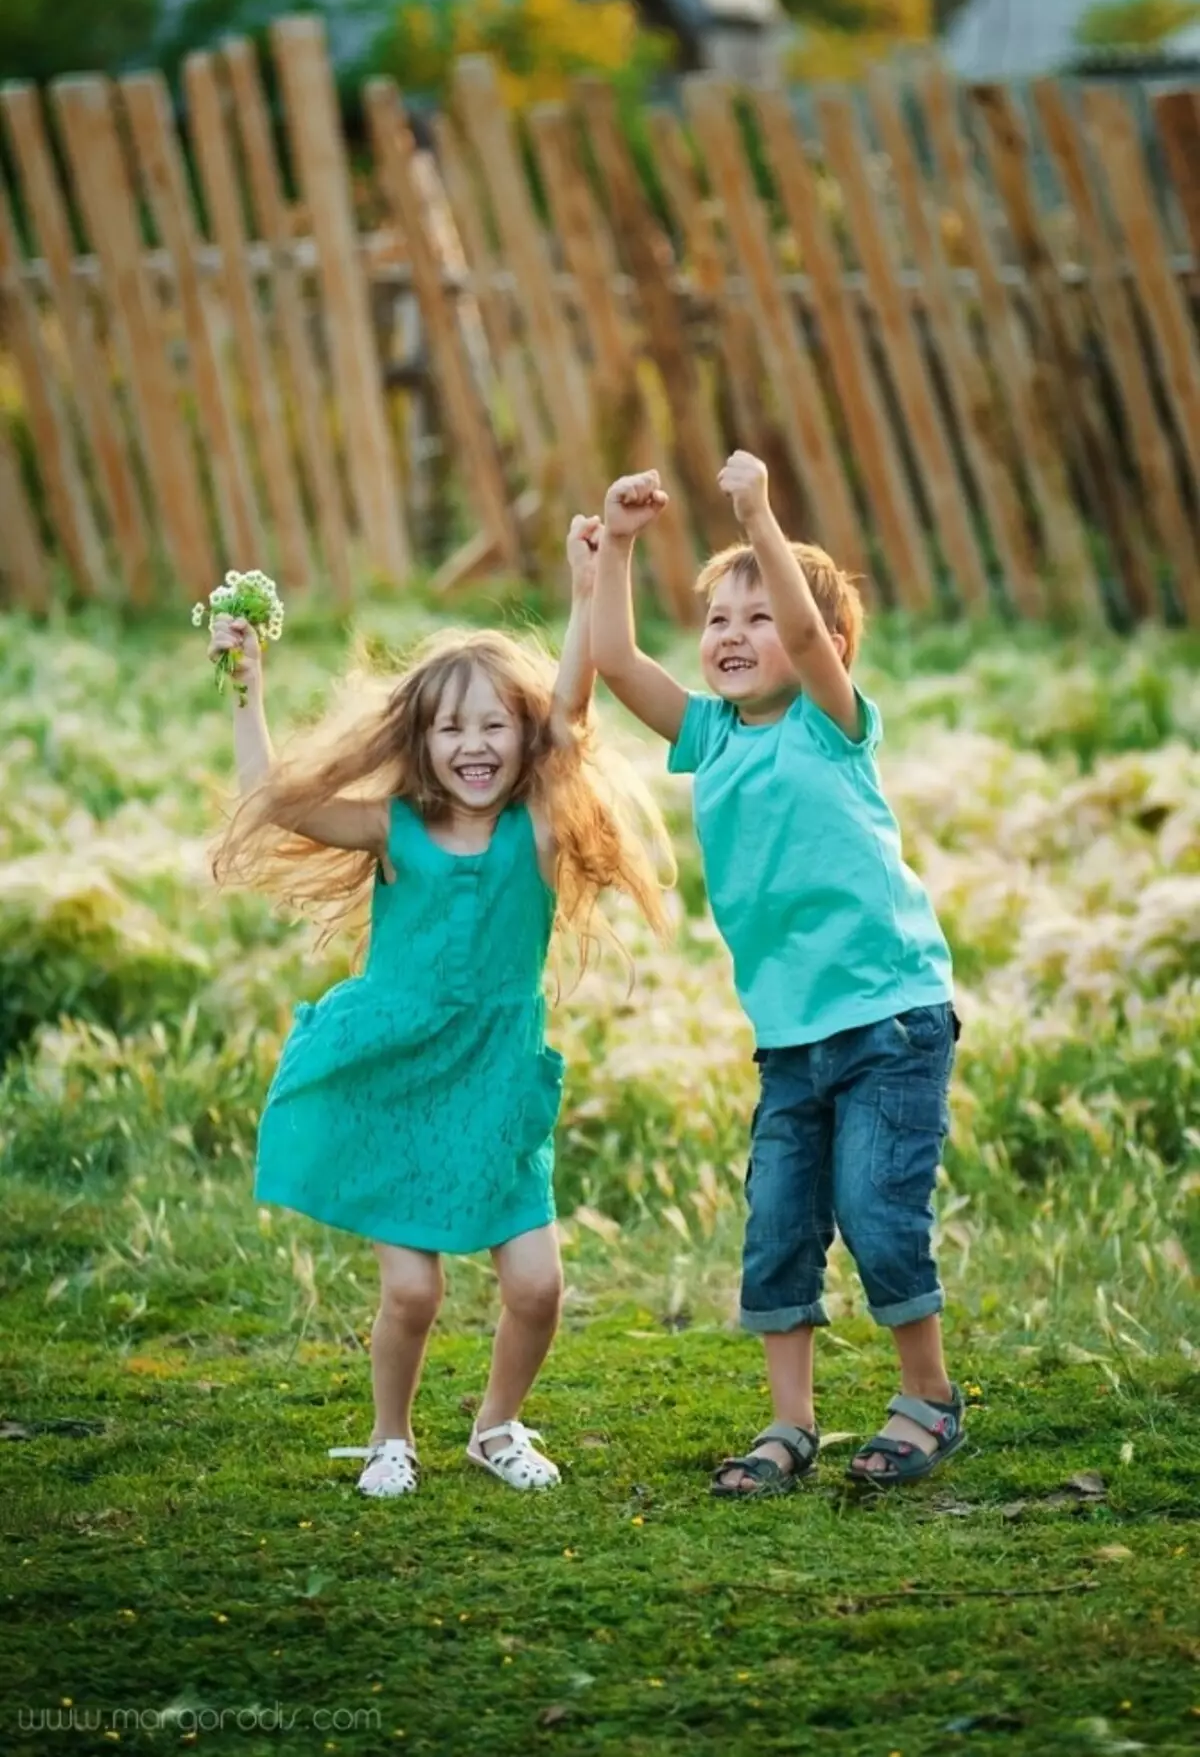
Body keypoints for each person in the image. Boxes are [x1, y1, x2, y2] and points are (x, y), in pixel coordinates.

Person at [209, 516, 671, 1498]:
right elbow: (274, 800)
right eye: (449, 727)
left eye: (492, 724)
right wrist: (246, 686)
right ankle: (391, 1436)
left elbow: (574, 716)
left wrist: (590, 590)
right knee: (412, 1288)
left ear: (522, 736)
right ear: (418, 741)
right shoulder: (396, 829)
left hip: (497, 1078)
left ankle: (495, 1428)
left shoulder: (539, 829)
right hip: (397, 1070)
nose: (473, 744)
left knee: (538, 1284)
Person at [591, 453, 965, 1493]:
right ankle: (790, 1425)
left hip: (891, 1018)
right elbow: (619, 665)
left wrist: (756, 514)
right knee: (778, 1227)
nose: (734, 635)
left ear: (825, 646)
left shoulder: (829, 724)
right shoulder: (710, 736)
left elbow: (804, 632)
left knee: (878, 1213)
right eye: (718, 619)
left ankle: (927, 1398)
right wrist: (617, 544)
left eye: (759, 616)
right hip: (790, 1038)